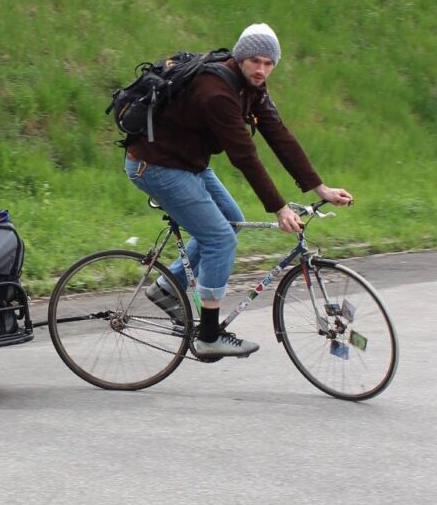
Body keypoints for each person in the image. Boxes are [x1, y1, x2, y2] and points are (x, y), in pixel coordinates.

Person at [123, 23, 352, 358]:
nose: (262, 69)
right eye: (255, 61)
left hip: (187, 163)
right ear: (240, 57)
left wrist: (320, 188)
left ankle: (167, 288)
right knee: (220, 239)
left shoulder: (251, 87)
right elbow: (244, 155)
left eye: (269, 63)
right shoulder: (216, 92)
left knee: (231, 220)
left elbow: (279, 135)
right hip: (156, 166)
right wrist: (279, 208)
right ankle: (209, 336)